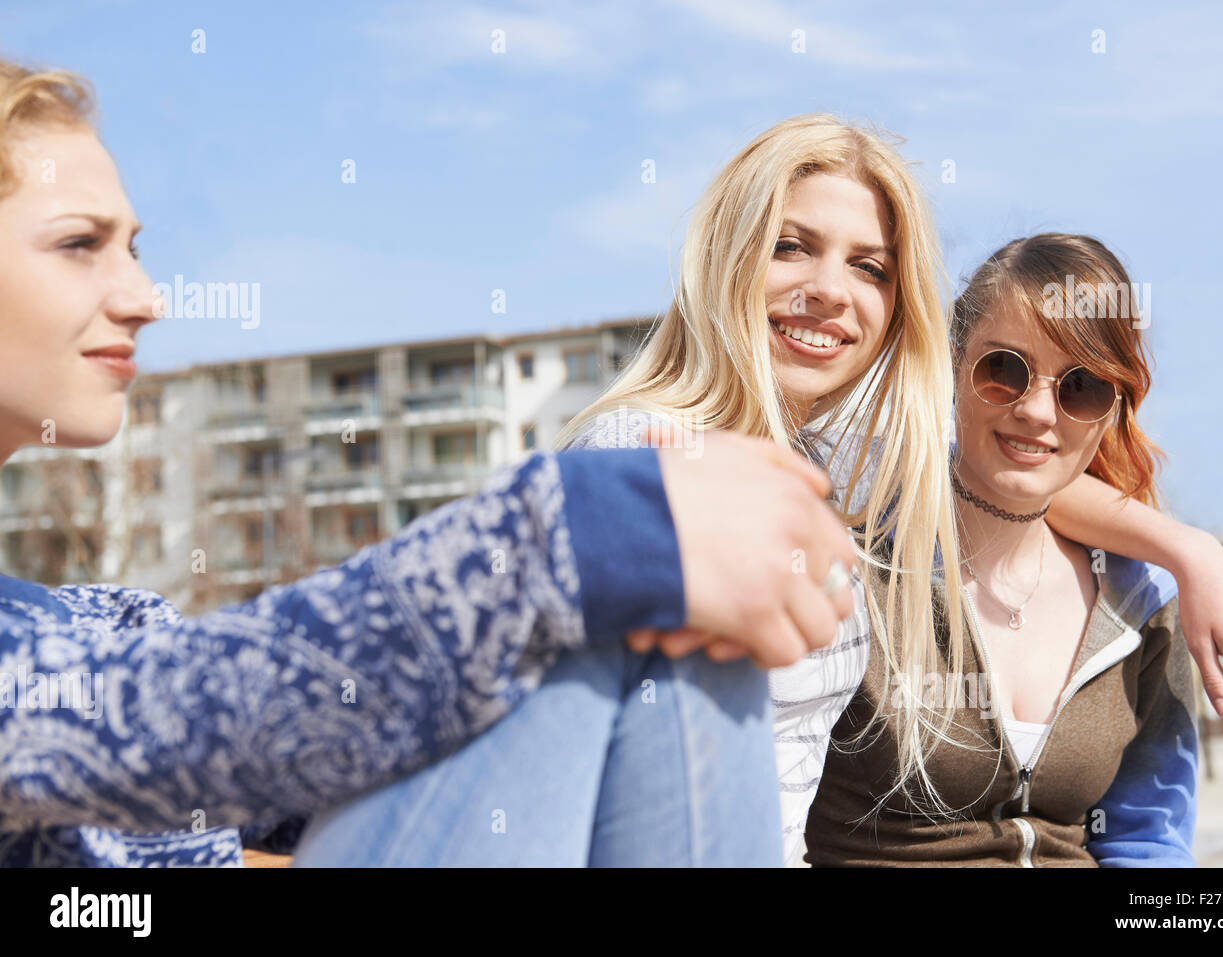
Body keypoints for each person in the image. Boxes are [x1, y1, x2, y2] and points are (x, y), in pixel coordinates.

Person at [295, 116, 1223, 866]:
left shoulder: (831, 471)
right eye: (791, 246)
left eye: (867, 266)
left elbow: (1010, 479)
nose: (829, 288)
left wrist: (1184, 551)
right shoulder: (643, 452)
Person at [0, 63, 858, 866]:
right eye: (80, 244)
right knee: (620, 605)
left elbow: (294, 754)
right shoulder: (68, 669)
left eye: (134, 250)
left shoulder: (98, 621)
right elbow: (171, 714)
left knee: (654, 624)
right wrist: (578, 529)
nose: (145, 298)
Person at [804, 233, 1198, 865]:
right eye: (1005, 370)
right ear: (954, 364)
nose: (1037, 411)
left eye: (1082, 388)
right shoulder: (854, 559)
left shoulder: (1142, 606)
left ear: (1114, 408)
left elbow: (1148, 839)